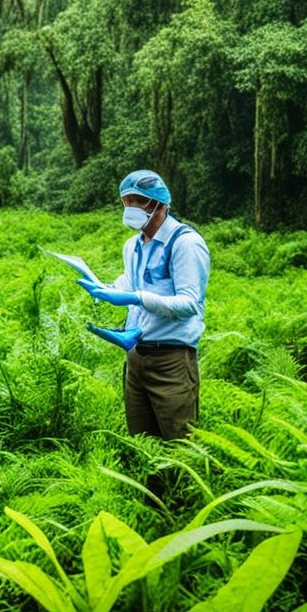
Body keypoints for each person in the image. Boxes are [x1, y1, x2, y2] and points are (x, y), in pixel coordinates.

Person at [77, 170, 210, 441]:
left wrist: (137, 298)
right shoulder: (132, 245)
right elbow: (129, 281)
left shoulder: (185, 243)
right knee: (141, 441)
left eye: (139, 201)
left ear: (161, 205)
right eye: (127, 201)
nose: (131, 208)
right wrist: (106, 289)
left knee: (179, 442)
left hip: (171, 359)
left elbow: (189, 303)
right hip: (135, 355)